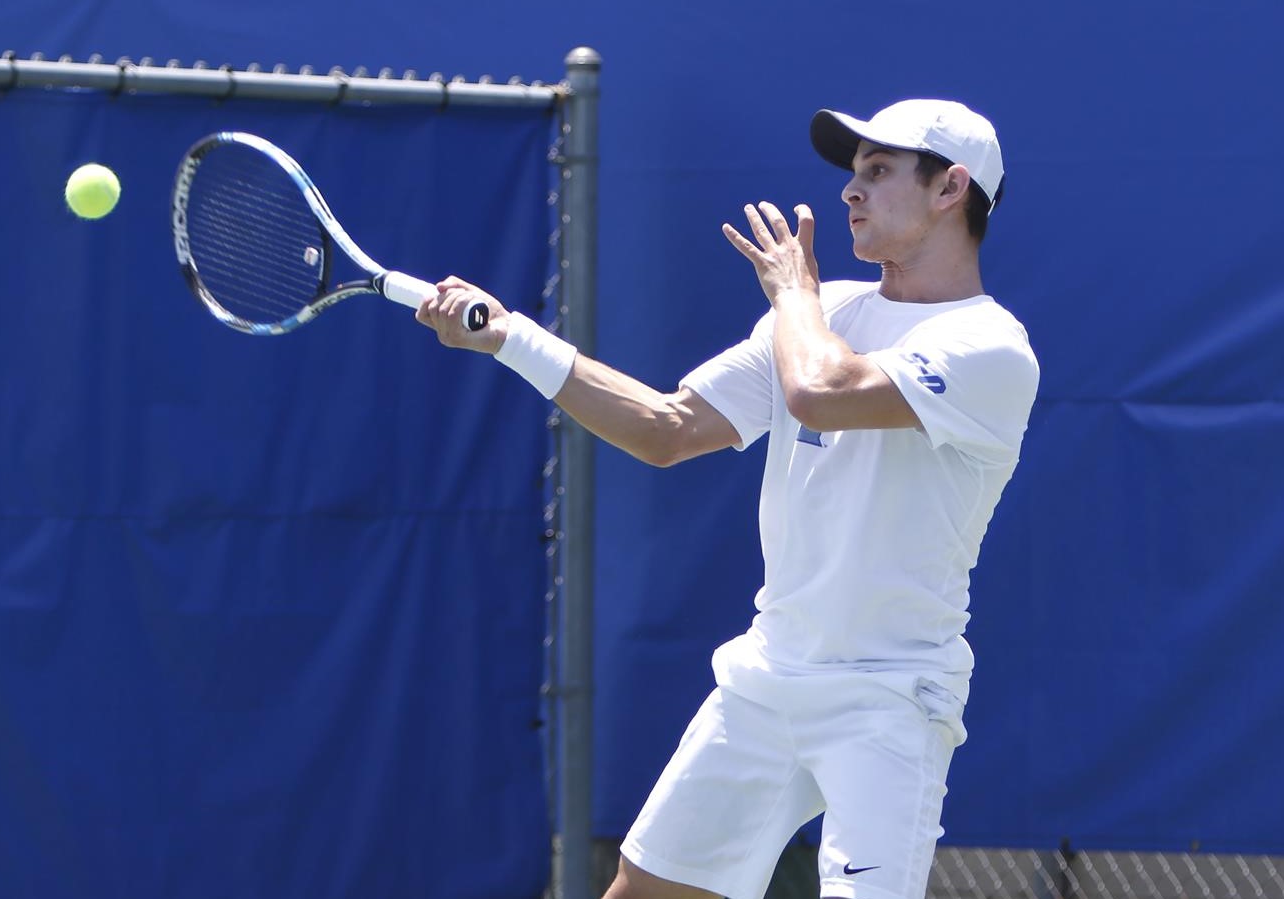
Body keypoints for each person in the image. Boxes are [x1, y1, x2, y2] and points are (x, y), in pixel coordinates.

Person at [415, 98, 1039, 899]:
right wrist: (510, 336)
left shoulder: (990, 347)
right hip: (766, 677)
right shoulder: (825, 310)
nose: (851, 192)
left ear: (951, 188)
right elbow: (665, 428)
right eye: (851, 175)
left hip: (888, 697)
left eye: (878, 172)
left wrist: (791, 295)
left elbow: (820, 388)